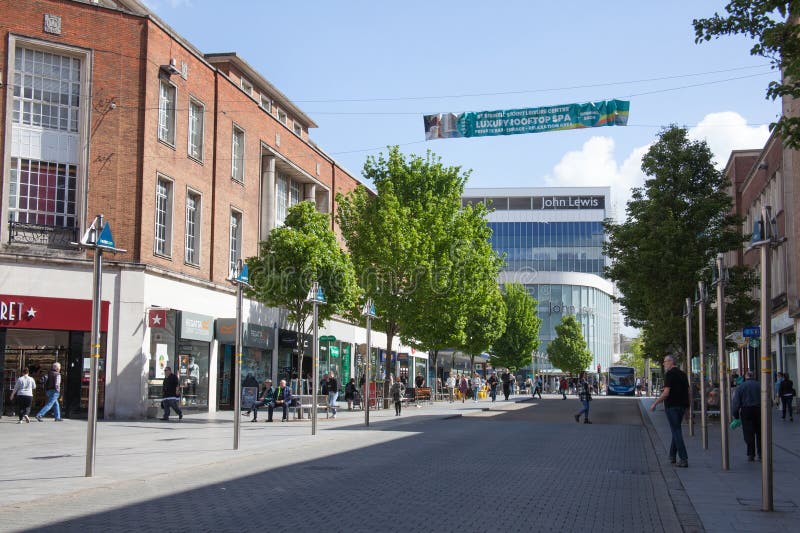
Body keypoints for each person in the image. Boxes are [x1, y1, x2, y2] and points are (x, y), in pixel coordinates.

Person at [650, 355, 689, 467]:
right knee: (675, 430)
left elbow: (666, 393)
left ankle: (683, 458)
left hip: (672, 407)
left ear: (671, 362)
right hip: (681, 407)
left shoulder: (669, 374)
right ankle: (672, 456)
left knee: (676, 431)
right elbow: (688, 392)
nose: (664, 364)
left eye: (665, 361)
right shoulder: (683, 374)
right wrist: (687, 409)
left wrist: (654, 403)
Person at [731, 370, 761, 461]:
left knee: (748, 433)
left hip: (746, 411)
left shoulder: (741, 387)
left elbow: (736, 403)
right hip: (759, 410)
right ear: (754, 376)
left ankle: (750, 454)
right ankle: (761, 453)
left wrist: (735, 415)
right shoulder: (760, 385)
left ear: (745, 377)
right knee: (760, 433)